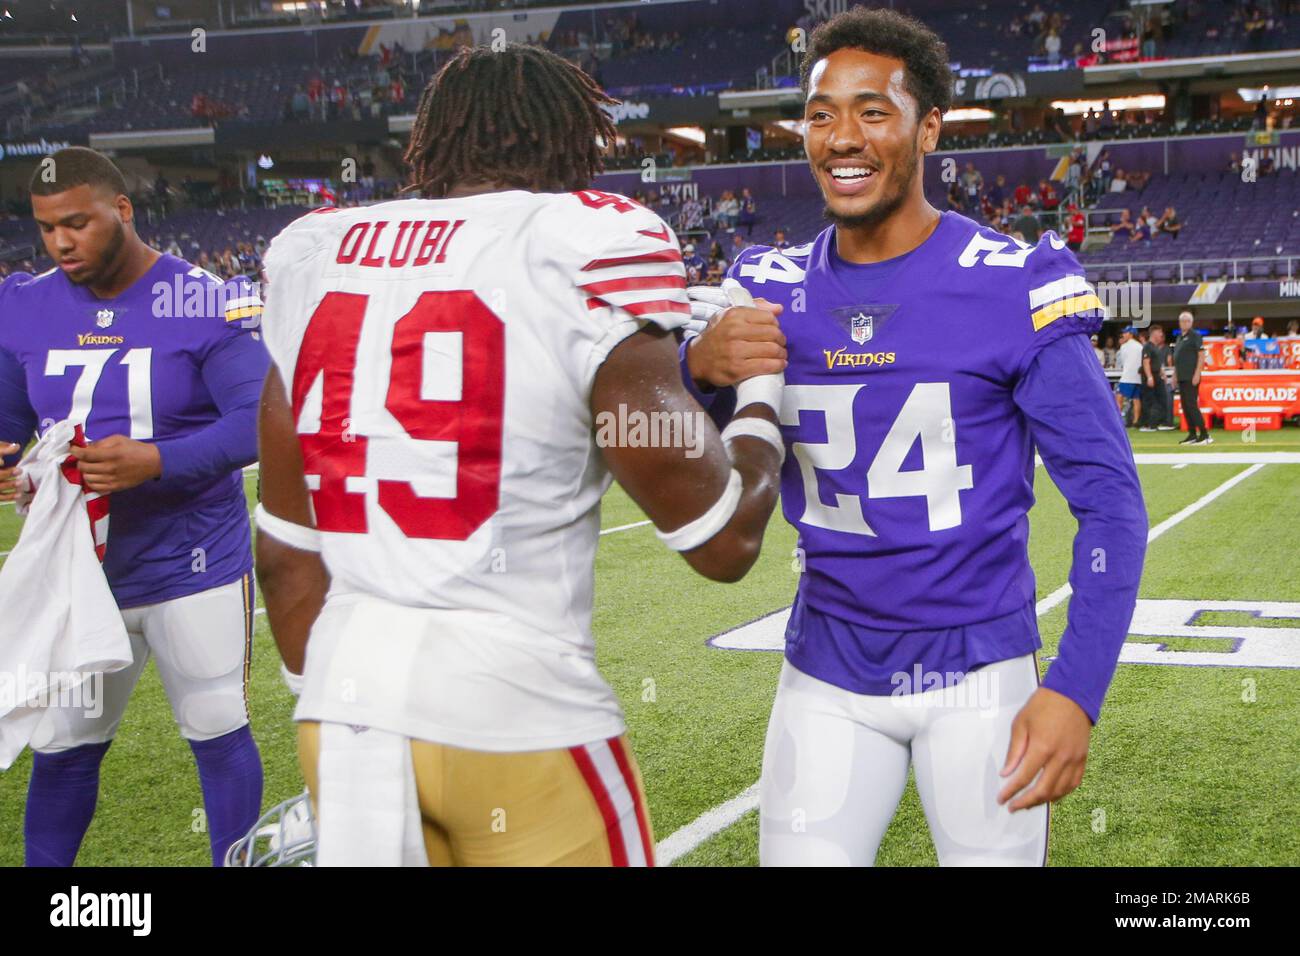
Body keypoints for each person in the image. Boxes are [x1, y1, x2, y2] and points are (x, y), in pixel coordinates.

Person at [252, 43, 785, 867]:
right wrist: (759, 397)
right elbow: (721, 536)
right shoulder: (578, 240)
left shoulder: (316, 255)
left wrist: (336, 702)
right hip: (513, 710)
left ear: (431, 139)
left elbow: (287, 560)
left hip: (343, 704)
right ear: (575, 141)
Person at [681, 8, 1146, 866]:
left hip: (979, 674)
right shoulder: (763, 287)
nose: (841, 138)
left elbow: (1111, 503)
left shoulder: (1013, 280)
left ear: (929, 126)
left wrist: (1076, 691)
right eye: (821, 114)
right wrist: (696, 372)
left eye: (873, 110)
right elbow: (690, 473)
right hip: (823, 666)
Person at [0, 147, 268, 866]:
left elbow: (259, 418)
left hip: (193, 560)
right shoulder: (25, 303)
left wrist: (158, 459)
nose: (61, 242)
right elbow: (8, 409)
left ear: (123, 210)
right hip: (82, 568)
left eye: (78, 223)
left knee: (216, 728)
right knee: (65, 746)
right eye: (47, 227)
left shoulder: (210, 297)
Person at [1173, 310, 1210, 445]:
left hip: (1190, 376)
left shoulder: (1195, 336)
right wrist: (1175, 375)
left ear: (1191, 322)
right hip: (1182, 376)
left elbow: (1201, 356)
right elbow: (1178, 359)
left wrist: (1197, 373)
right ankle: (1192, 433)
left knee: (1192, 405)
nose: (1185, 323)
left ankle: (1204, 434)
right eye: (1183, 321)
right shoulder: (1179, 338)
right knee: (1185, 406)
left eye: (1187, 321)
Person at [1140, 324, 1173, 431]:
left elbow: (1158, 363)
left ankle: (1159, 422)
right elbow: (1146, 362)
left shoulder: (1156, 348)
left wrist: (1163, 374)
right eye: (1159, 333)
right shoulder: (1147, 347)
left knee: (1162, 400)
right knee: (1149, 401)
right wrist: (1149, 377)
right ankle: (1148, 424)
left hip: (1158, 376)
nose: (1161, 335)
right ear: (1154, 334)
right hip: (1150, 376)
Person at [1116, 327, 1144, 425]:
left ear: (1131, 334)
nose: (1123, 335)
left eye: (1125, 333)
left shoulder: (1124, 346)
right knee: (1136, 399)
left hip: (1127, 376)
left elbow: (1123, 362)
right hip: (1138, 377)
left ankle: (1118, 420)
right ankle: (1136, 421)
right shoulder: (1140, 346)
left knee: (1119, 397)